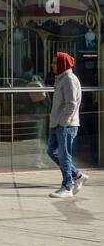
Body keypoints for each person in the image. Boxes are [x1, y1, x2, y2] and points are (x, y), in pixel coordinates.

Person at [47, 51, 85, 199]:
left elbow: (71, 104)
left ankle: (67, 186)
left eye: (55, 62)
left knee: (64, 155)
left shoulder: (69, 79)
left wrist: (63, 122)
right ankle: (78, 175)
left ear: (62, 64)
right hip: (58, 124)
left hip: (66, 125)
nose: (52, 65)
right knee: (52, 151)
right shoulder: (61, 78)